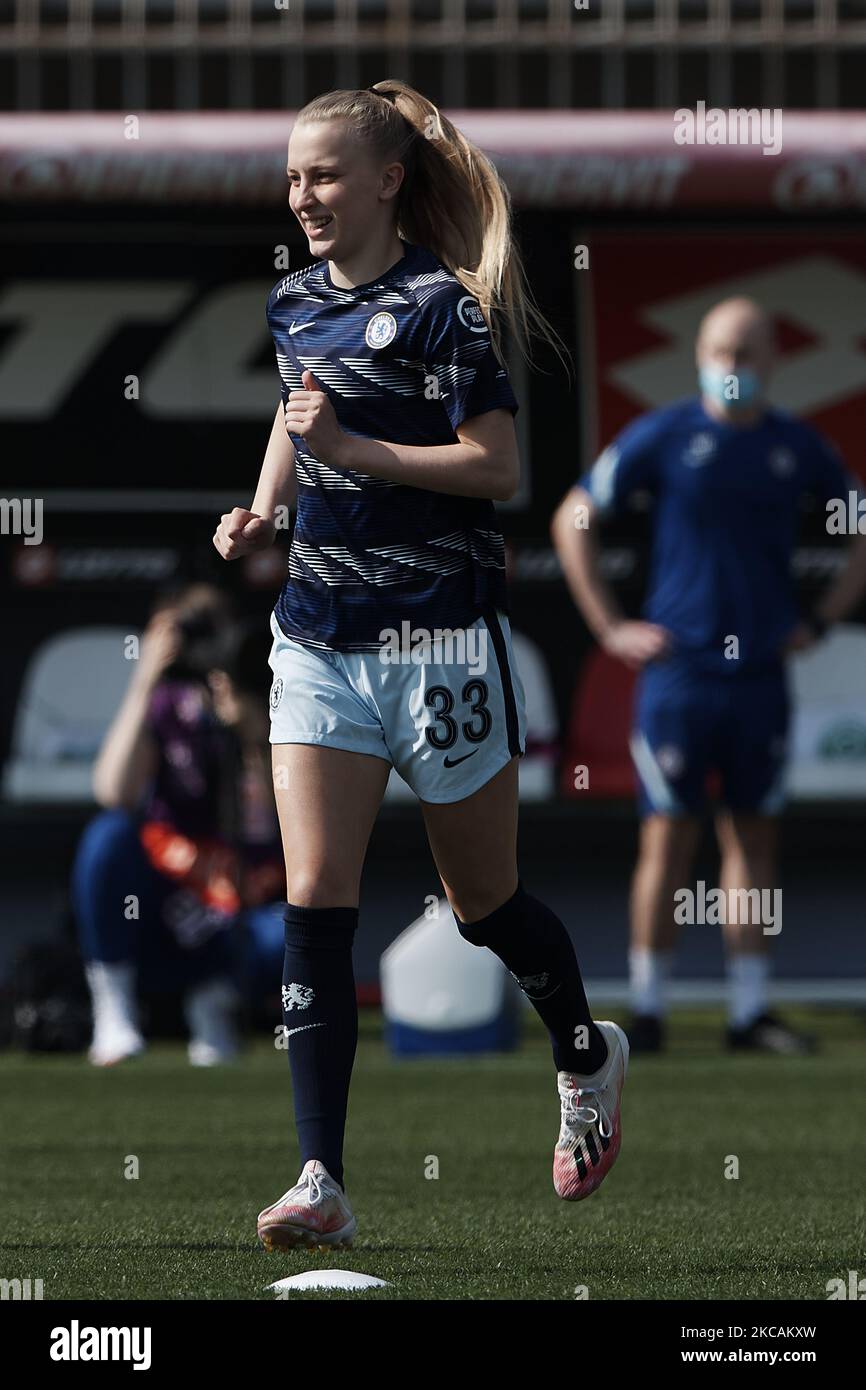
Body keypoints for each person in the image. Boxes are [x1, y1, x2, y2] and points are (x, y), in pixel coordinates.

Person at [213, 79, 629, 1251]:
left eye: (326, 174)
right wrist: (259, 512)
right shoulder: (291, 297)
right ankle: (320, 1179)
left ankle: (585, 1055)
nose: (303, 195)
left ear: (388, 180)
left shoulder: (444, 308)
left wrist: (354, 448)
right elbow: (295, 415)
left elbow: (495, 468)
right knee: (314, 900)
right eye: (294, 175)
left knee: (483, 902)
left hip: (439, 638)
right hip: (320, 640)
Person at [551, 296, 866, 1054]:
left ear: (773, 362)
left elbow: (859, 528)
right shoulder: (665, 436)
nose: (735, 368)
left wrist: (821, 619)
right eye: (723, 352)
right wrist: (608, 627)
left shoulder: (797, 447)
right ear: (699, 356)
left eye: (749, 353)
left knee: (754, 839)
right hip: (679, 680)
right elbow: (574, 517)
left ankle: (748, 1011)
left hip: (760, 677)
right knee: (667, 838)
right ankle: (649, 1010)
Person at [73, 584, 285, 1066]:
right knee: (107, 836)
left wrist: (254, 735)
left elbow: (278, 825)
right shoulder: (165, 704)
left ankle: (215, 1004)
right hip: (166, 898)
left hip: (240, 905)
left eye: (208, 626)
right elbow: (113, 791)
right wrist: (144, 680)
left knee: (289, 934)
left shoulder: (265, 696)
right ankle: (115, 1009)